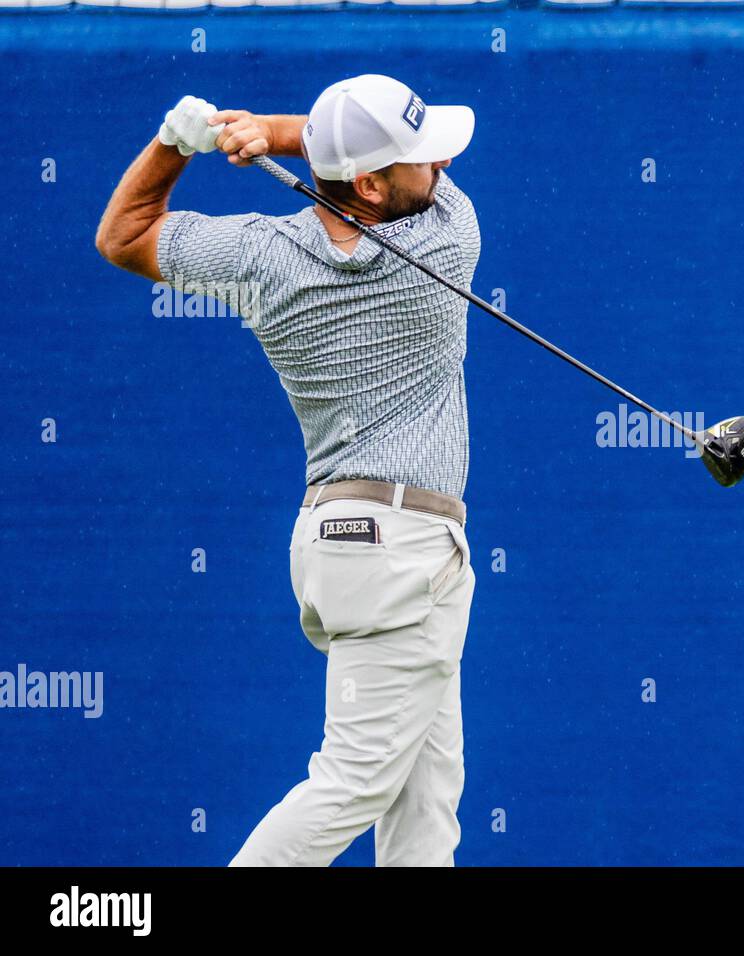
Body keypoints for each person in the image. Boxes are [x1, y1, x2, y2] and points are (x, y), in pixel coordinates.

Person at [94, 75, 481, 866]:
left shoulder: (262, 257)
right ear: (371, 185)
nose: (438, 165)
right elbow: (360, 158)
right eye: (418, 158)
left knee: (427, 792)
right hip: (402, 553)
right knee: (357, 780)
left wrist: (177, 143)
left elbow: (124, 235)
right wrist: (272, 131)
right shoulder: (451, 236)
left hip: (338, 547)